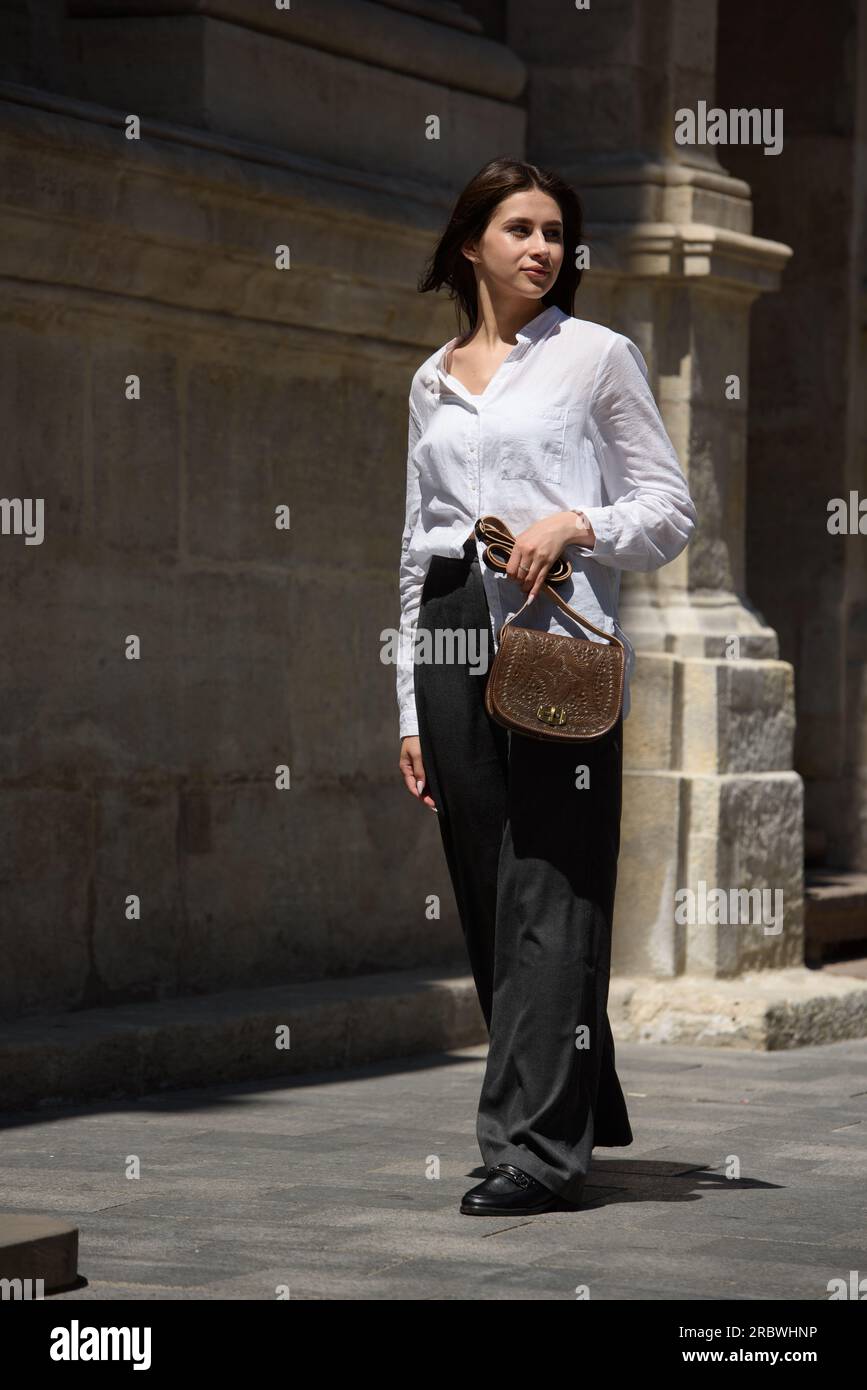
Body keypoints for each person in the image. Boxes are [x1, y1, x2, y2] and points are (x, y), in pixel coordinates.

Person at [396, 157, 697, 1216]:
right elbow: (413, 547)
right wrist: (409, 705)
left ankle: (534, 1148)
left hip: (556, 640)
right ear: (470, 242)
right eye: (519, 227)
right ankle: (571, 1099)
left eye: (556, 232)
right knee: (490, 893)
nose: (542, 247)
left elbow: (668, 509)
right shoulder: (431, 379)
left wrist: (580, 522)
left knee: (552, 885)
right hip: (448, 632)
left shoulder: (598, 359)